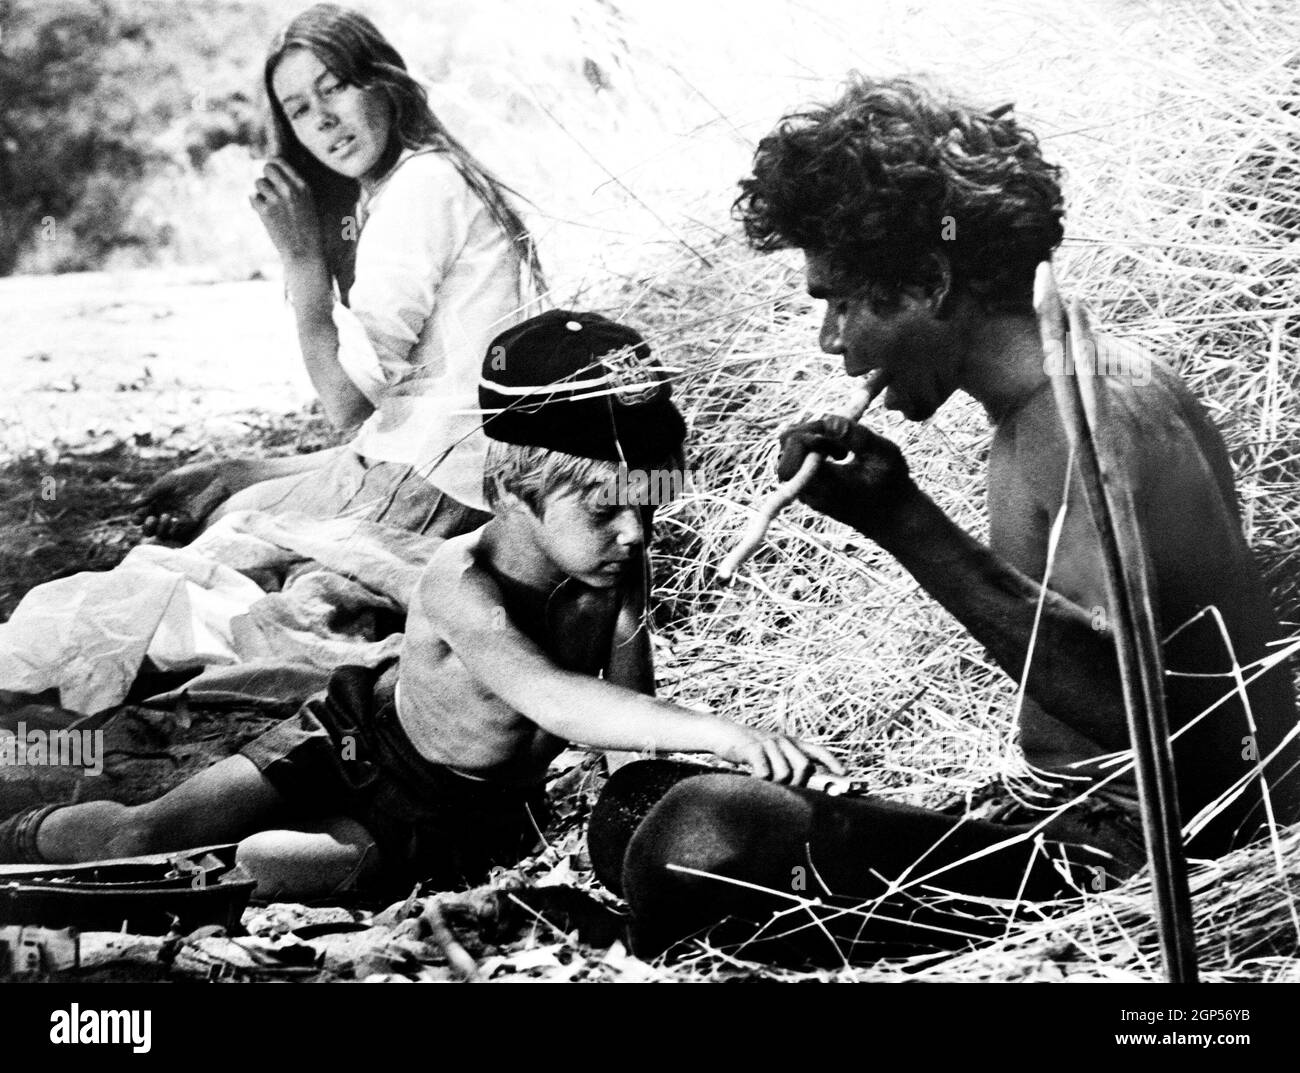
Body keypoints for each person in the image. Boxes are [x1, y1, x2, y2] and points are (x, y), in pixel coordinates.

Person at [588, 76, 1300, 965]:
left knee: (699, 839)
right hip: (1052, 821)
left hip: (1133, 866)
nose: (829, 339)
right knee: (641, 802)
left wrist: (905, 523)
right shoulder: (1047, 397)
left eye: (841, 301)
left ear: (930, 279)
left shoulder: (1089, 413)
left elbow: (1134, 714)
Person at [1, 311, 840, 898]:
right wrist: (720, 731)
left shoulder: (617, 571)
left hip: (453, 810)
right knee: (147, 835)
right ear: (512, 488)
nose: (634, 532)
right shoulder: (459, 578)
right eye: (605, 508)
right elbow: (549, 696)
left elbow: (629, 715)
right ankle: (24, 834)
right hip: (353, 742)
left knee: (267, 865)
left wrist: (640, 813)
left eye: (648, 507)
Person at [132, 3, 545, 542]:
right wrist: (239, 472)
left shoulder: (421, 187)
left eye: (334, 88)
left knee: (225, 534)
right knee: (232, 504)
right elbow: (391, 424)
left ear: (384, 82)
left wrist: (301, 260)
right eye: (299, 109)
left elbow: (348, 406)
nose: (322, 119)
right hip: (449, 467)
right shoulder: (425, 177)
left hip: (445, 484)